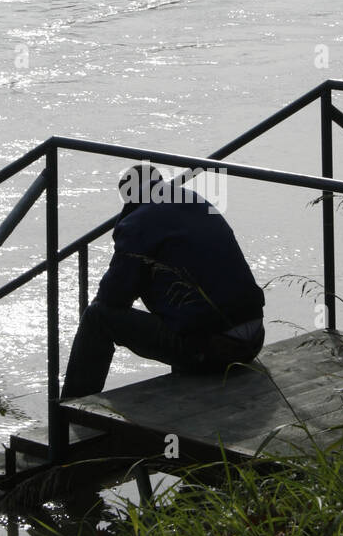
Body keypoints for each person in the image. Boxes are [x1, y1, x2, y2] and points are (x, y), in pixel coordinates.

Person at [61, 163, 265, 399]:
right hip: (253, 340)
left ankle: (70, 408)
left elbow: (112, 297)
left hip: (216, 351)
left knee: (97, 317)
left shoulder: (136, 223)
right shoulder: (196, 202)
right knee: (189, 305)